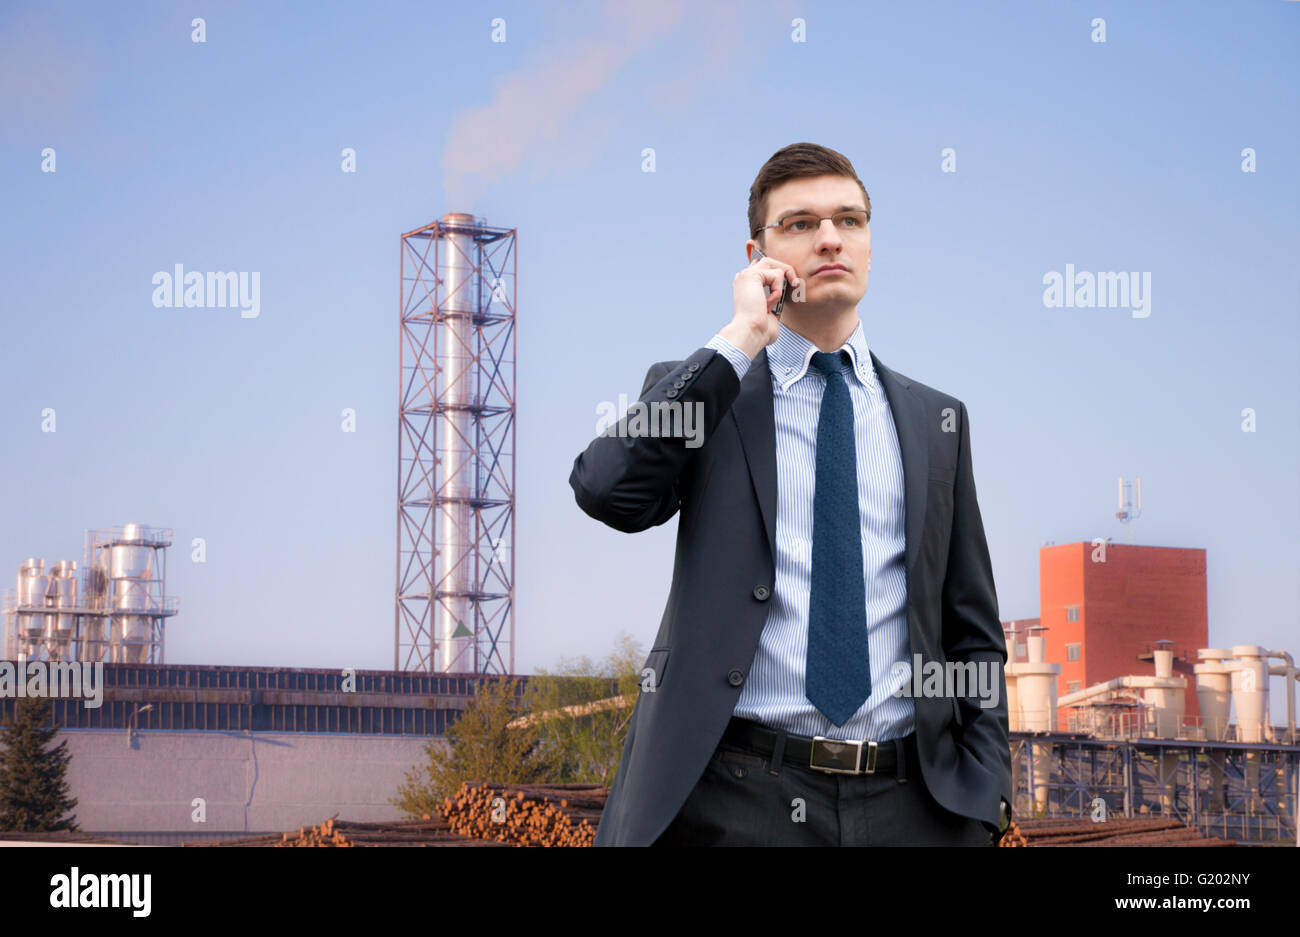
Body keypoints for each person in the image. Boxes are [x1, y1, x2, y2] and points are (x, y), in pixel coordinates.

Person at [569, 142, 1011, 846]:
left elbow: (974, 635)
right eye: (800, 224)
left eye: (850, 220)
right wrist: (742, 335)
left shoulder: (938, 422)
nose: (830, 237)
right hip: (739, 797)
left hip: (914, 806)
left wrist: (987, 797)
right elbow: (605, 488)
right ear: (758, 253)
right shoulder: (715, 392)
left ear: (870, 243)